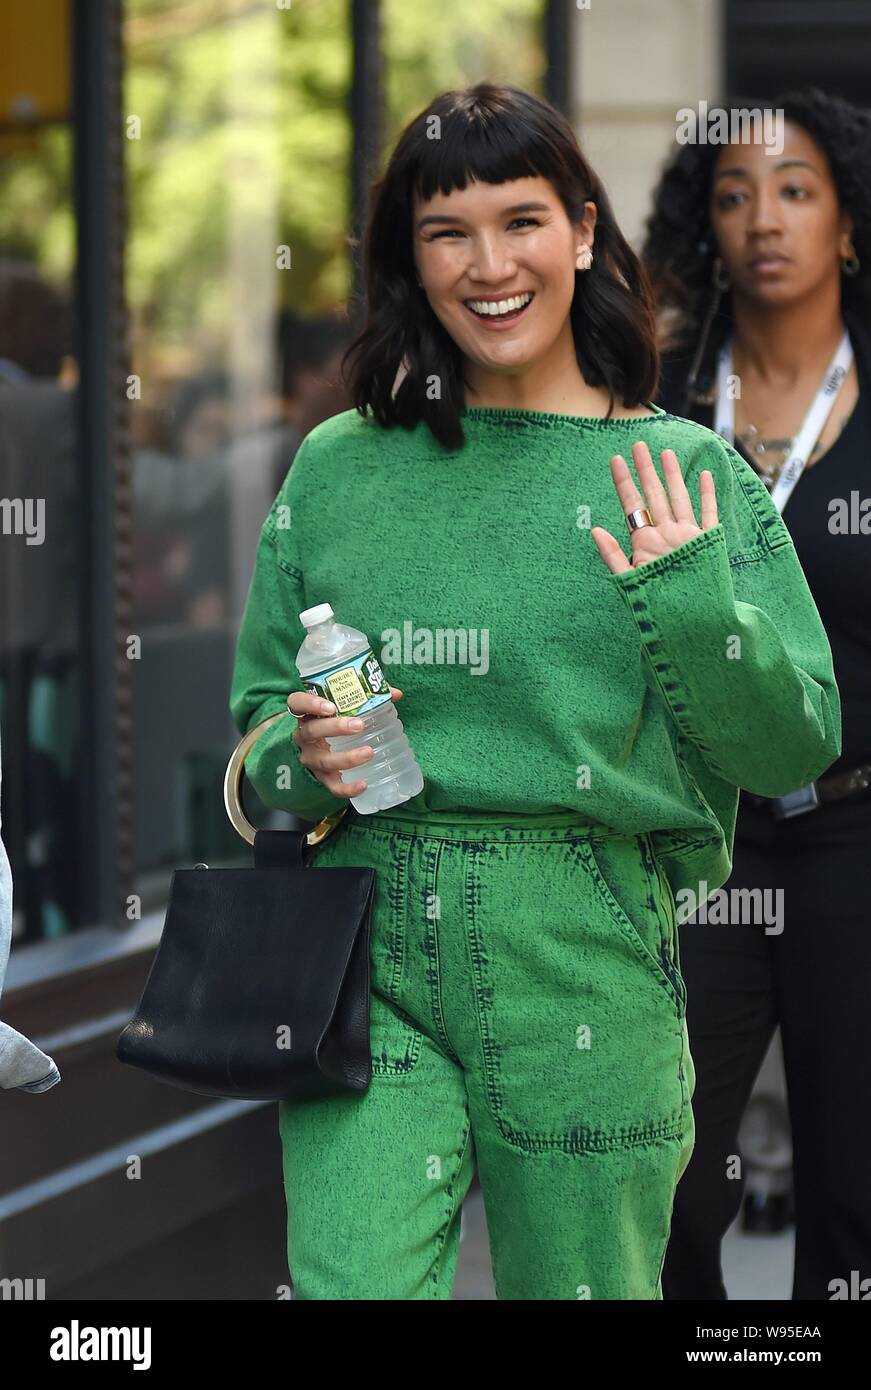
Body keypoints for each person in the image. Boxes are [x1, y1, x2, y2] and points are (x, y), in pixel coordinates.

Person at [228, 83, 840, 1300]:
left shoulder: (683, 473)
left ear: (581, 234)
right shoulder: (338, 466)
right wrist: (307, 758)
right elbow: (259, 733)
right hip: (364, 950)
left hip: (583, 953)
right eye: (445, 230)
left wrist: (686, 602)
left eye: (519, 221)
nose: (487, 264)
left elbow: (792, 746)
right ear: (410, 257)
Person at [642, 87, 871, 1300]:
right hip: (701, 835)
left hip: (855, 831)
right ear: (704, 224)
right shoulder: (657, 396)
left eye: (794, 191)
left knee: (852, 1189)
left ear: (845, 224)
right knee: (670, 1171)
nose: (762, 219)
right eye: (732, 196)